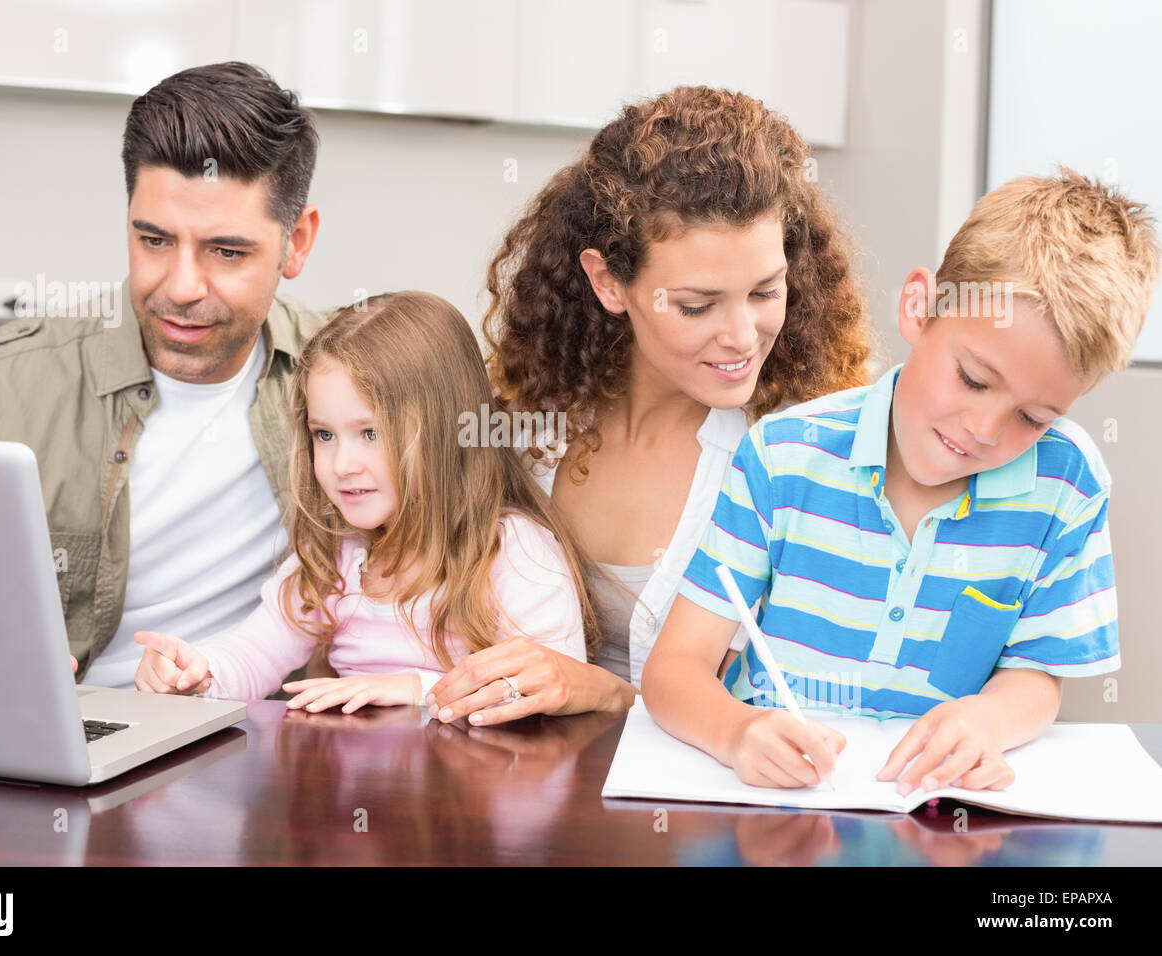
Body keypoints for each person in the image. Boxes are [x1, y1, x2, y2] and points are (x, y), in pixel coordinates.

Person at [643, 169, 1160, 793]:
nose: (985, 430)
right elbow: (674, 670)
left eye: (1033, 417)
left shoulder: (1066, 485)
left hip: (929, 814)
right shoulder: (782, 456)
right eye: (973, 379)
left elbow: (1037, 676)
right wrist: (735, 733)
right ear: (919, 308)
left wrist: (985, 719)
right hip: (766, 803)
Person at [427, 86, 873, 726]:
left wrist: (606, 696)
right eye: (697, 305)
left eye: (765, 291)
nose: (743, 337)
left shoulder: (806, 458)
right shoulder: (528, 435)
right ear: (609, 281)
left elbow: (798, 715)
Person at [0, 62, 329, 685]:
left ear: (297, 243)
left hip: (266, 746)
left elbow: (483, 553)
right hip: (67, 741)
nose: (181, 288)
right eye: (154, 240)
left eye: (227, 252)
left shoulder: (363, 383)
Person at [133, 292, 599, 707]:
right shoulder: (336, 553)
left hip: (467, 797)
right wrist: (197, 671)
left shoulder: (513, 552)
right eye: (325, 434)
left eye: (370, 433)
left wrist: (414, 690)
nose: (341, 464)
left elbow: (549, 692)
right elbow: (255, 652)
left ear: (445, 433)